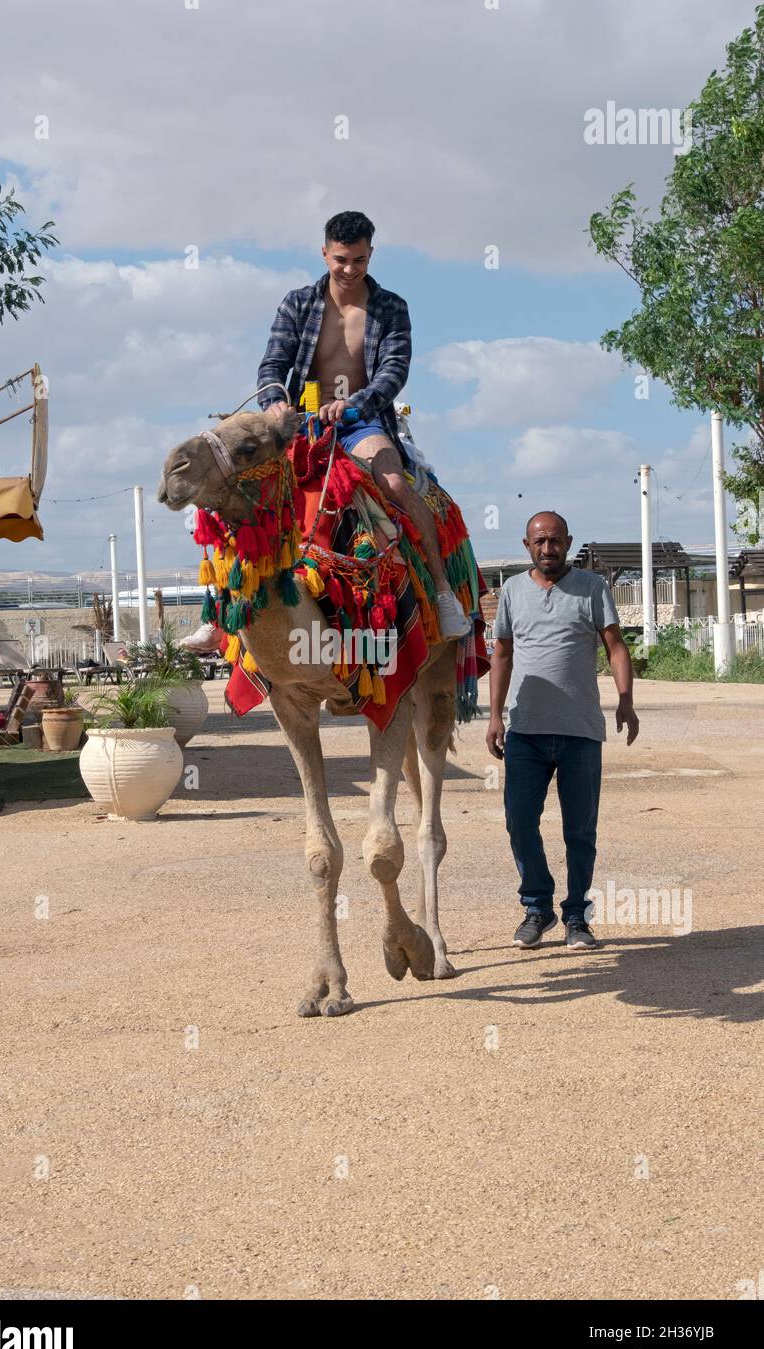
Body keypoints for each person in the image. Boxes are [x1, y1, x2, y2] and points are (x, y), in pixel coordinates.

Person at [256, 209, 470, 639]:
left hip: (362, 421)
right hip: (299, 424)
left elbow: (394, 371)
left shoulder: (392, 307)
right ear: (324, 254)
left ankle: (443, 592)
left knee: (393, 480)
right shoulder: (296, 303)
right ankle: (223, 608)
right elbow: (271, 366)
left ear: (371, 254)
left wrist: (352, 405)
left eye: (358, 260)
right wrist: (276, 402)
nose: (349, 269)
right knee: (243, 485)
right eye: (340, 260)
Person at [486, 511, 639, 950]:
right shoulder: (513, 591)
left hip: (580, 732)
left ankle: (577, 918)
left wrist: (625, 699)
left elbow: (615, 647)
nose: (547, 548)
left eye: (554, 541)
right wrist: (495, 716)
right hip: (526, 733)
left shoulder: (592, 588)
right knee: (519, 822)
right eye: (539, 541)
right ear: (526, 545)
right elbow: (501, 655)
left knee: (580, 830)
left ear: (568, 542)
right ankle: (537, 908)